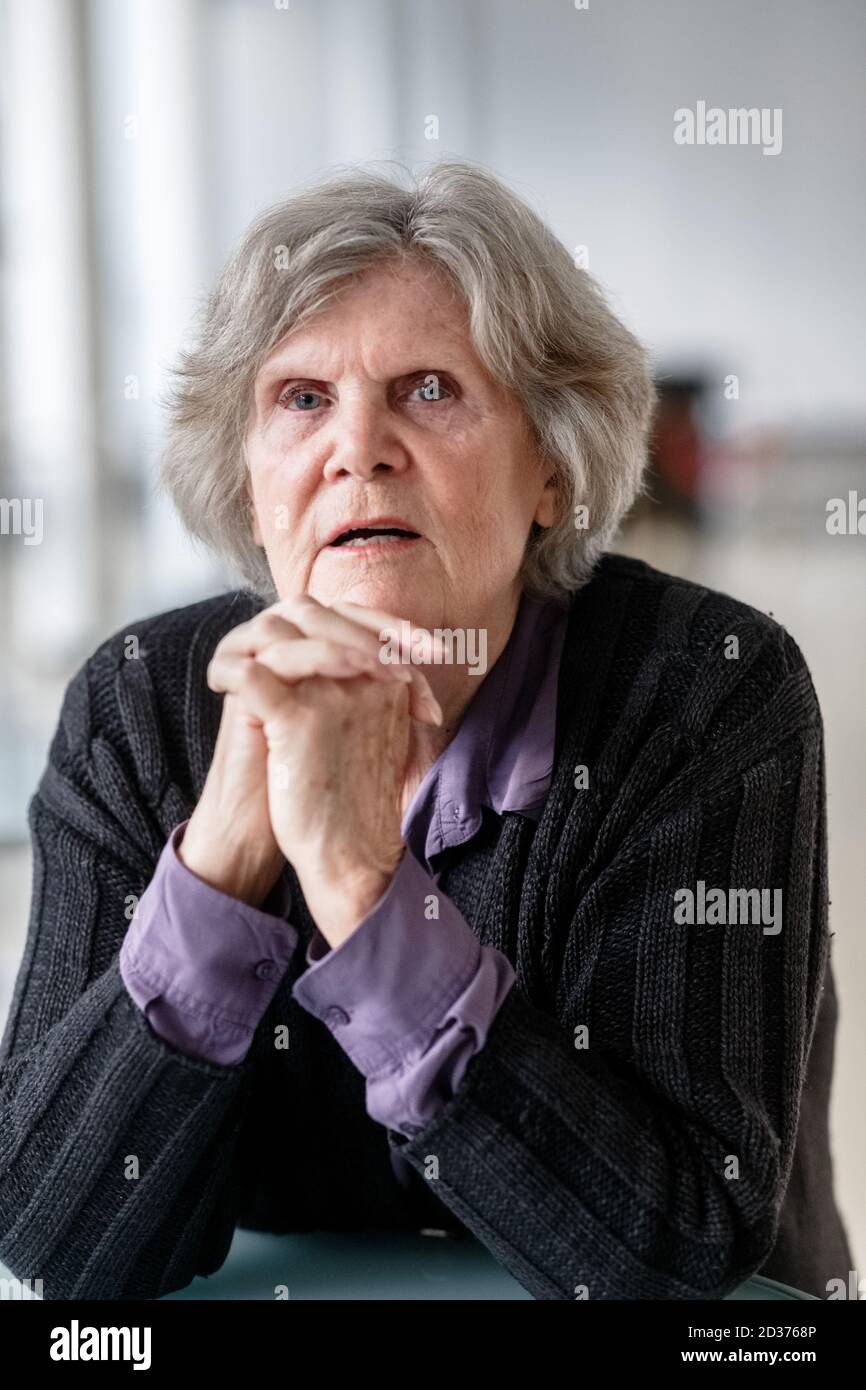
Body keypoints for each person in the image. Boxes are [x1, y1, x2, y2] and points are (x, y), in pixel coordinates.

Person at [0, 160, 852, 1300]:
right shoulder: (139, 703)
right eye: (301, 400)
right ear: (252, 486)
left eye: (429, 390)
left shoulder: (702, 692)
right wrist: (226, 853)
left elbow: (671, 1255)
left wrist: (360, 890)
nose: (359, 448)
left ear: (551, 466)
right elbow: (61, 1242)